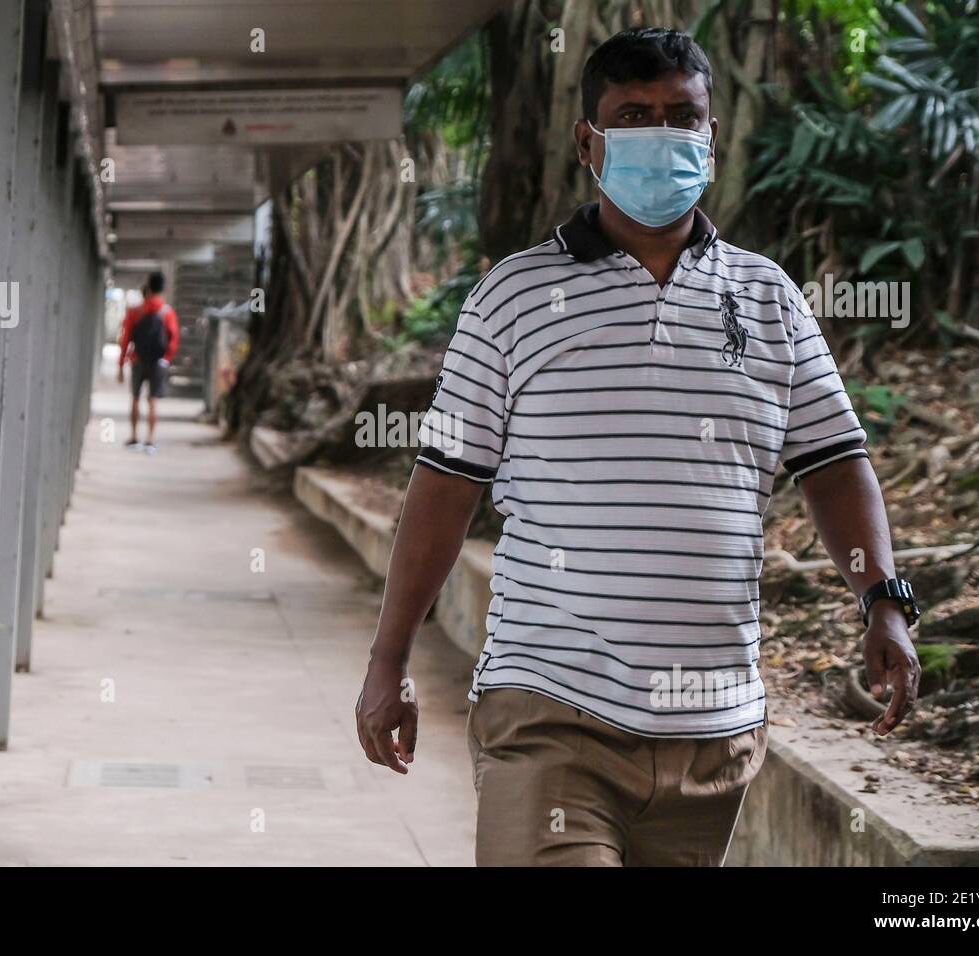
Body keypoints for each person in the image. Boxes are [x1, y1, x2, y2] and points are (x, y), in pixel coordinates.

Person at [354, 27, 922, 866]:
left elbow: (834, 466)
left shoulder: (770, 300)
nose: (662, 134)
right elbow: (445, 486)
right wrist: (387, 659)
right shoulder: (511, 297)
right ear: (589, 142)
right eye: (634, 115)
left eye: (680, 115)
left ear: (712, 136)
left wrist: (882, 598)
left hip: (714, 734)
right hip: (552, 714)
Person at [117, 272, 179, 453]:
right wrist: (165, 359)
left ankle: (134, 437)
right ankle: (150, 441)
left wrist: (121, 364)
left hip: (138, 360)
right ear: (163, 289)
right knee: (153, 401)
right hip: (158, 362)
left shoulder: (135, 311)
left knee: (135, 398)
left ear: (148, 288)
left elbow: (125, 339)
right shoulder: (167, 313)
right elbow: (173, 339)